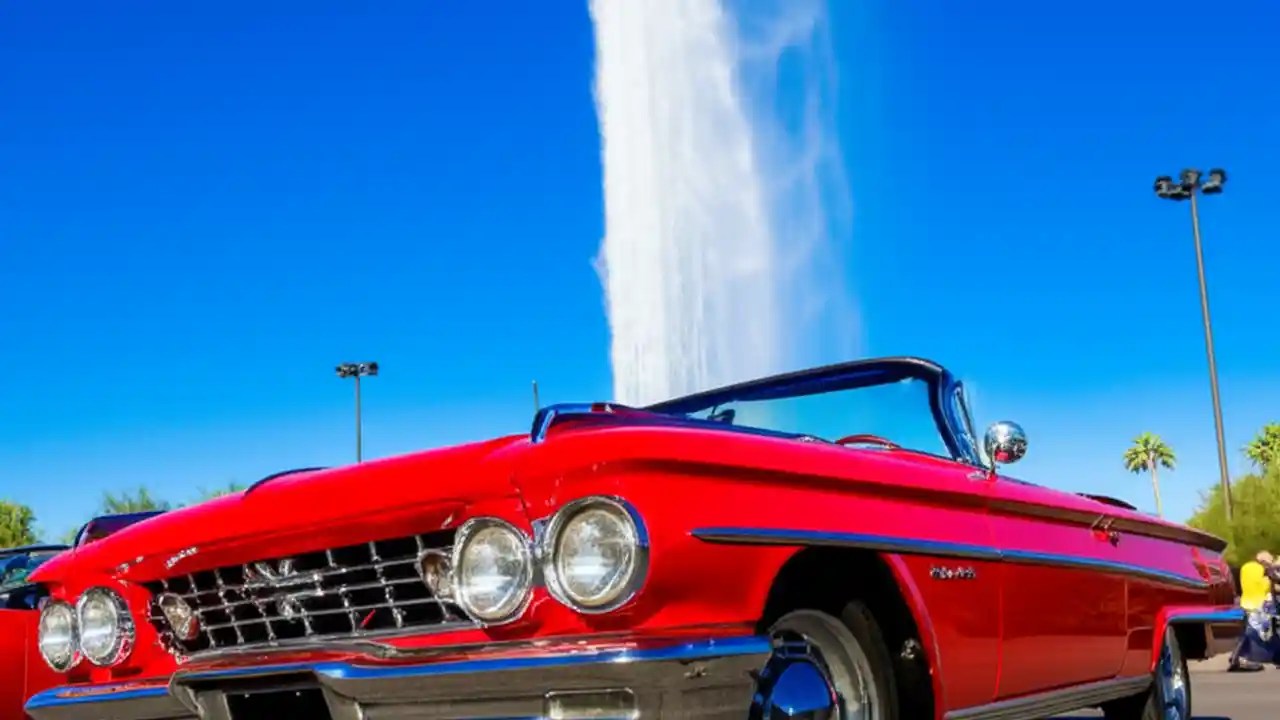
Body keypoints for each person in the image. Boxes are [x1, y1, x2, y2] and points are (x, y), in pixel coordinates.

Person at [1229, 551, 1274, 671]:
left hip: (1246, 603)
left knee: (1246, 633)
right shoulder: (1260, 570)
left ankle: (1237, 658)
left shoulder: (1246, 567)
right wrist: (1269, 580)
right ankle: (1238, 659)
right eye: (1268, 563)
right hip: (1256, 605)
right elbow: (1264, 587)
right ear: (1263, 562)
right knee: (1251, 634)